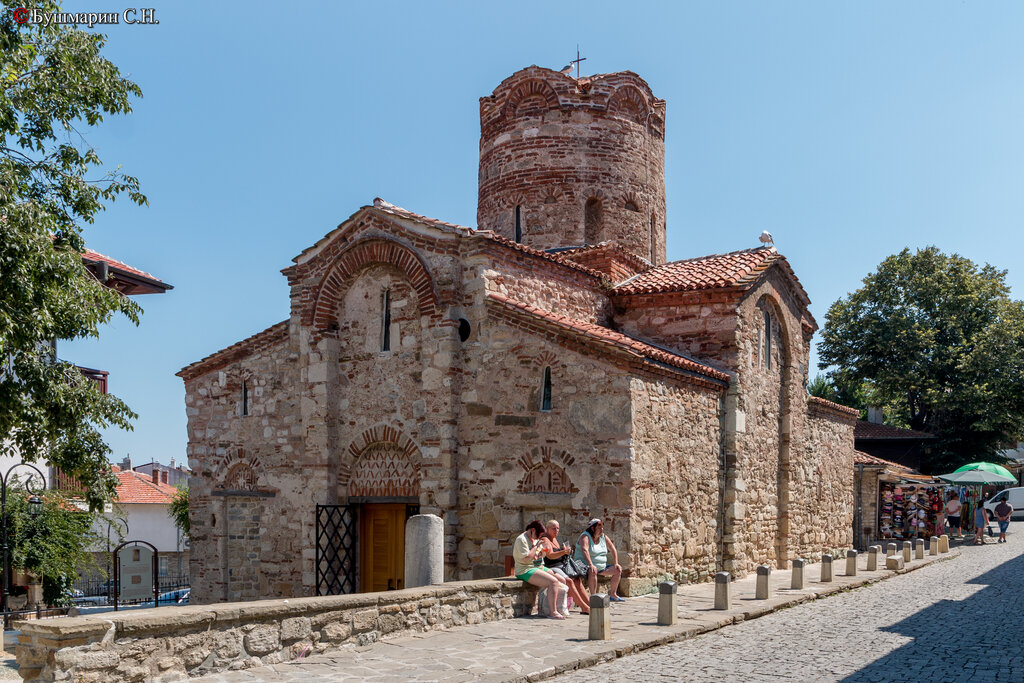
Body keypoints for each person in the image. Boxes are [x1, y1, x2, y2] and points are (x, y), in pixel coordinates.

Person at [512, 520, 566, 619]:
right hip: (525, 569)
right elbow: (526, 558)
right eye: (538, 535)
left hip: (537, 566)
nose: (538, 538)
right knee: (553, 582)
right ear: (532, 530)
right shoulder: (521, 540)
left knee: (562, 580)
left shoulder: (535, 538)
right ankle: (552, 612)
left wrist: (544, 551)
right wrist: (537, 546)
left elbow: (538, 555)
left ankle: (559, 608)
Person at [542, 520, 589, 615]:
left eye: (558, 528)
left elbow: (557, 554)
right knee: (569, 581)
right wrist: (563, 552)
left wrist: (564, 551)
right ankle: (584, 607)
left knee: (577, 580)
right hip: (552, 567)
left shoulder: (554, 539)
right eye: (554, 528)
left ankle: (589, 604)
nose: (556, 530)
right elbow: (550, 555)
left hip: (561, 565)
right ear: (547, 529)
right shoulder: (545, 540)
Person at [574, 518, 624, 601]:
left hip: (601, 567)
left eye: (602, 527)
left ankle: (613, 594)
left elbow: (612, 548)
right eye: (599, 528)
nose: (602, 530)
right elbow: (584, 550)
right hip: (584, 565)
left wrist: (616, 563)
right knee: (593, 570)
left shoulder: (603, 537)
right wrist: (591, 564)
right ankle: (594, 596)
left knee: (618, 570)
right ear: (592, 528)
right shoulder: (585, 536)